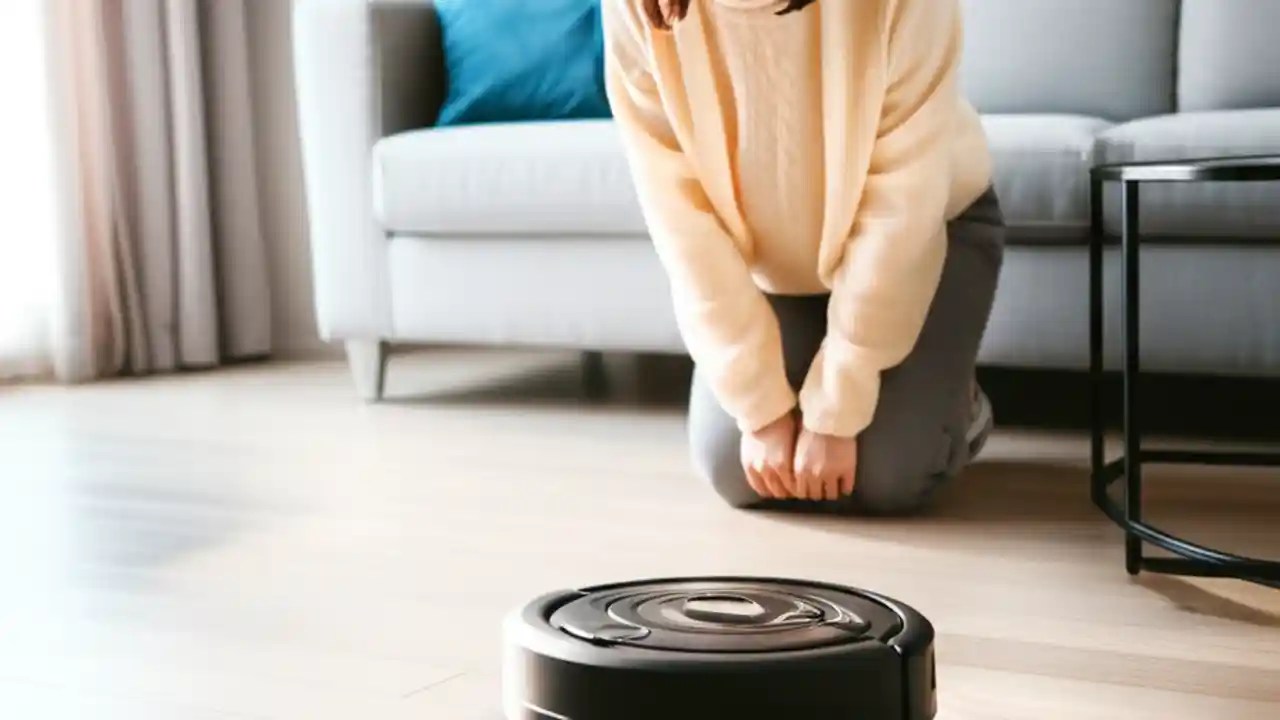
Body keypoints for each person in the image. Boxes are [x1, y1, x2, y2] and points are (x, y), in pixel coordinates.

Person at [602, 0, 1005, 514]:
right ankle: (832, 355)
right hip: (781, 269)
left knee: (892, 474)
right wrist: (761, 408)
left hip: (928, 230)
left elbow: (902, 205)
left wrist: (836, 407)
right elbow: (682, 218)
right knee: (735, 469)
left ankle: (957, 400)